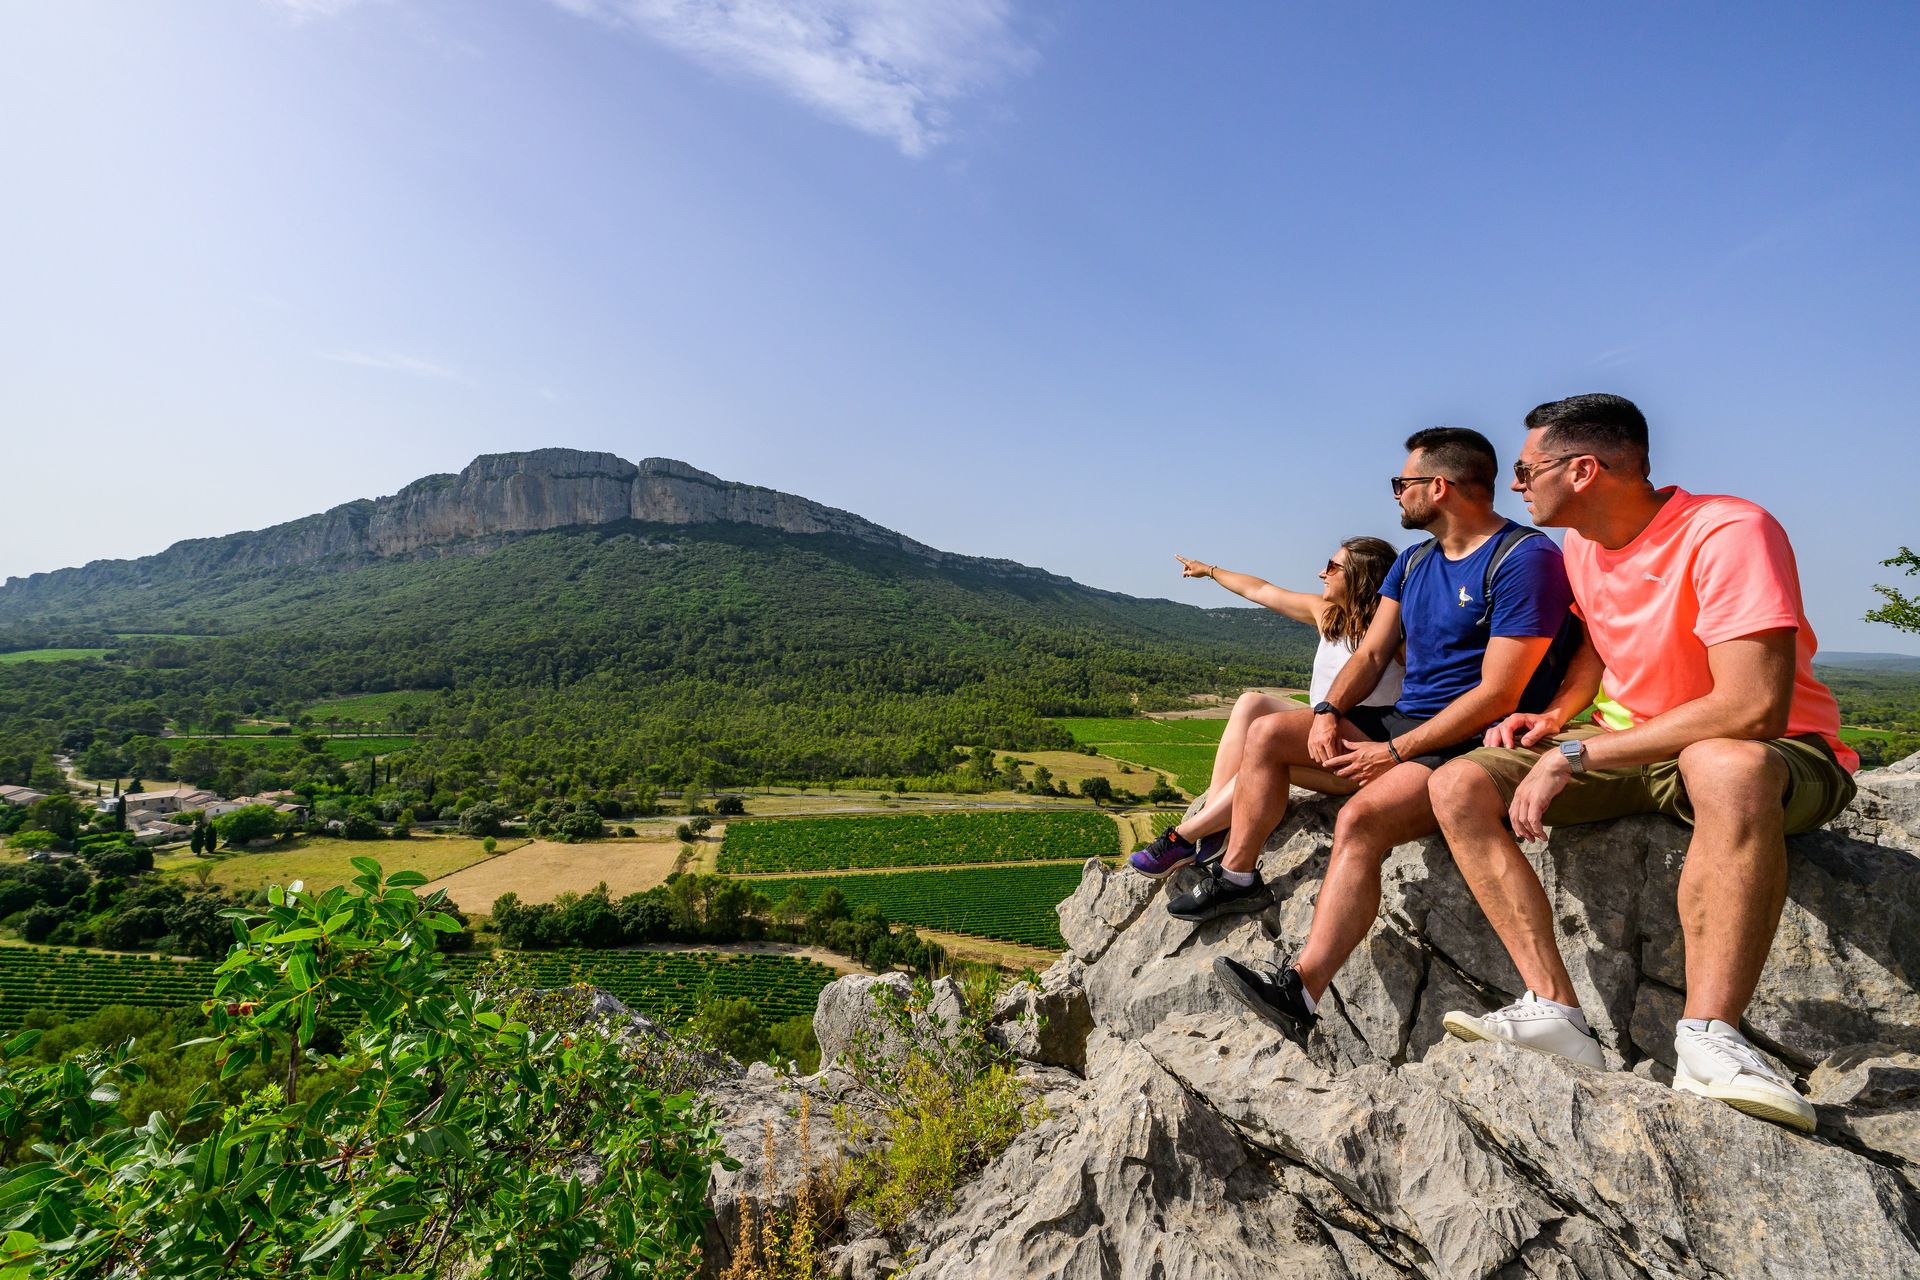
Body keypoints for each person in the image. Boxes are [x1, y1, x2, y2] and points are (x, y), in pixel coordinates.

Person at [1427, 393, 1856, 1133]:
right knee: (1459, 782)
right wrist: (1561, 713)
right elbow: (1598, 636)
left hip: (1773, 749)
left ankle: (1710, 1040)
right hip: (1635, 747)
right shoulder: (1584, 545)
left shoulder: (1729, 531)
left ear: (1584, 469)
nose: (1517, 484)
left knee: (1724, 764)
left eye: (1527, 469)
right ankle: (1555, 1010)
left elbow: (1750, 706)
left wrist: (1575, 751)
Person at [1197, 428, 1582, 1047]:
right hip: (1408, 723)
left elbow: (1499, 694)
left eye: (1402, 484)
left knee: (1360, 821)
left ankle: (1300, 988)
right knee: (1269, 733)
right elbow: (1373, 652)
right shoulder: (1414, 561)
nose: (1397, 496)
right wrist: (1326, 711)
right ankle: (1237, 876)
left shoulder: (1524, 559)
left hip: (1469, 740)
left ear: (1440, 487)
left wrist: (1396, 752)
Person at [1127, 537, 1403, 878]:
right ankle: (1217, 823)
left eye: (1333, 567)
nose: (1321, 573)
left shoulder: (1395, 634)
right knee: (1250, 703)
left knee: (1263, 755)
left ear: (1363, 576)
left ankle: (1183, 838)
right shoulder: (1329, 615)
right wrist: (1209, 571)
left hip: (1348, 750)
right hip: (1314, 727)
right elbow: (1260, 590)